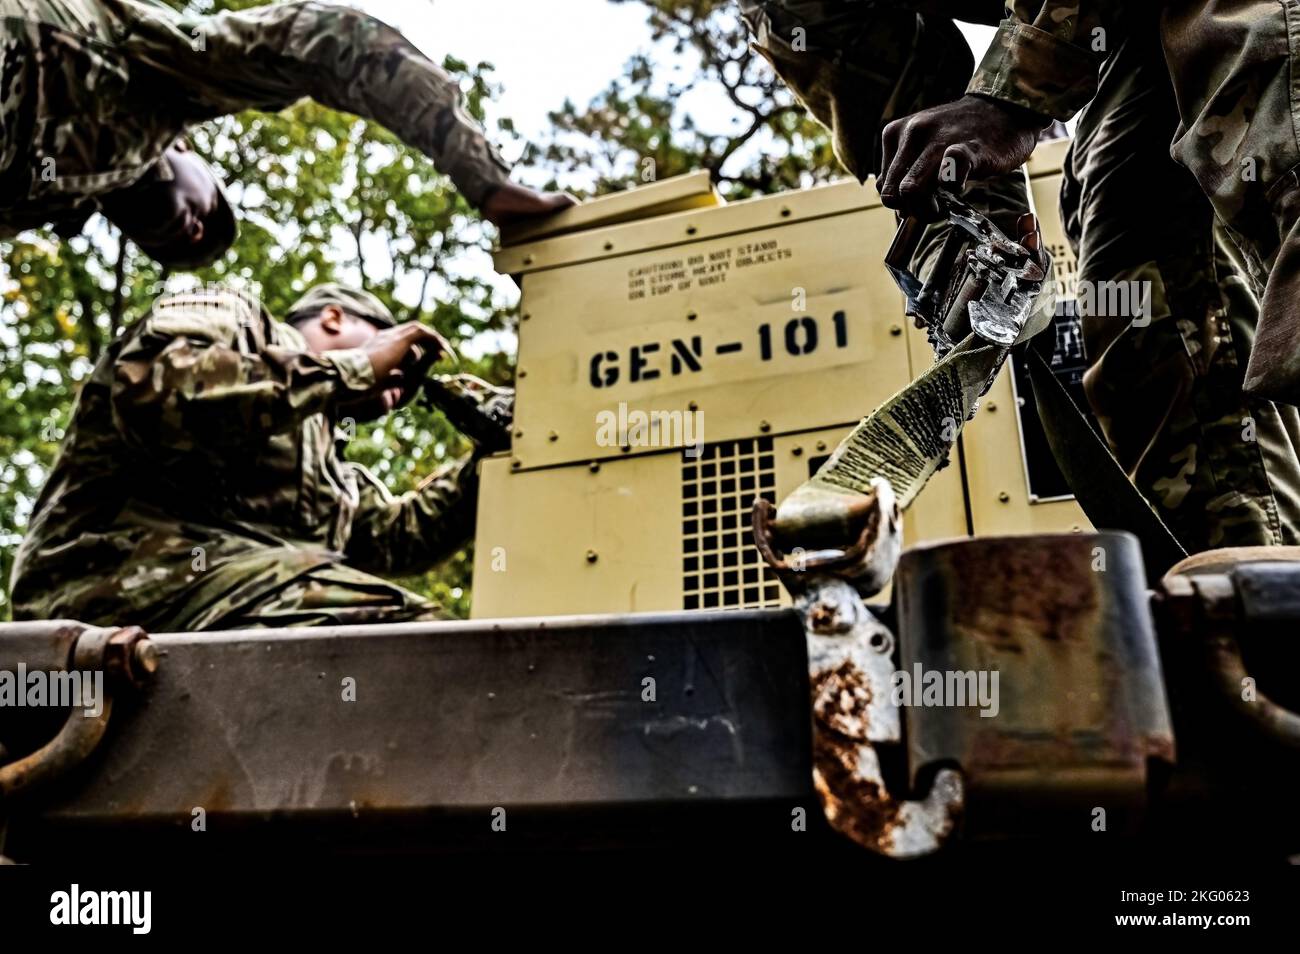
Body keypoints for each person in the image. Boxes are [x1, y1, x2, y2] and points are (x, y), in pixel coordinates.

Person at [742, 1, 1300, 552]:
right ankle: (1247, 596)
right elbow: (904, 102)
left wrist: (1011, 97)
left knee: (1257, 78)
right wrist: (973, 231)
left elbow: (999, 104)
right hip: (1122, 31)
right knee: (1136, 264)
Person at [10, 282, 488, 630]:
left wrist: (494, 454)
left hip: (222, 597)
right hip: (107, 585)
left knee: (428, 643)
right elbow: (157, 385)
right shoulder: (240, 320)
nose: (402, 379)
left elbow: (397, 539)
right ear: (335, 317)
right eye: (392, 342)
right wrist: (354, 367)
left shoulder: (332, 475)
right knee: (405, 644)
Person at [0, 0, 574, 267]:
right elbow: (334, 42)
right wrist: (482, 177)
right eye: (211, 215)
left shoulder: (32, 204)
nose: (190, 232)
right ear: (187, 151)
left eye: (175, 250)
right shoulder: (170, 75)